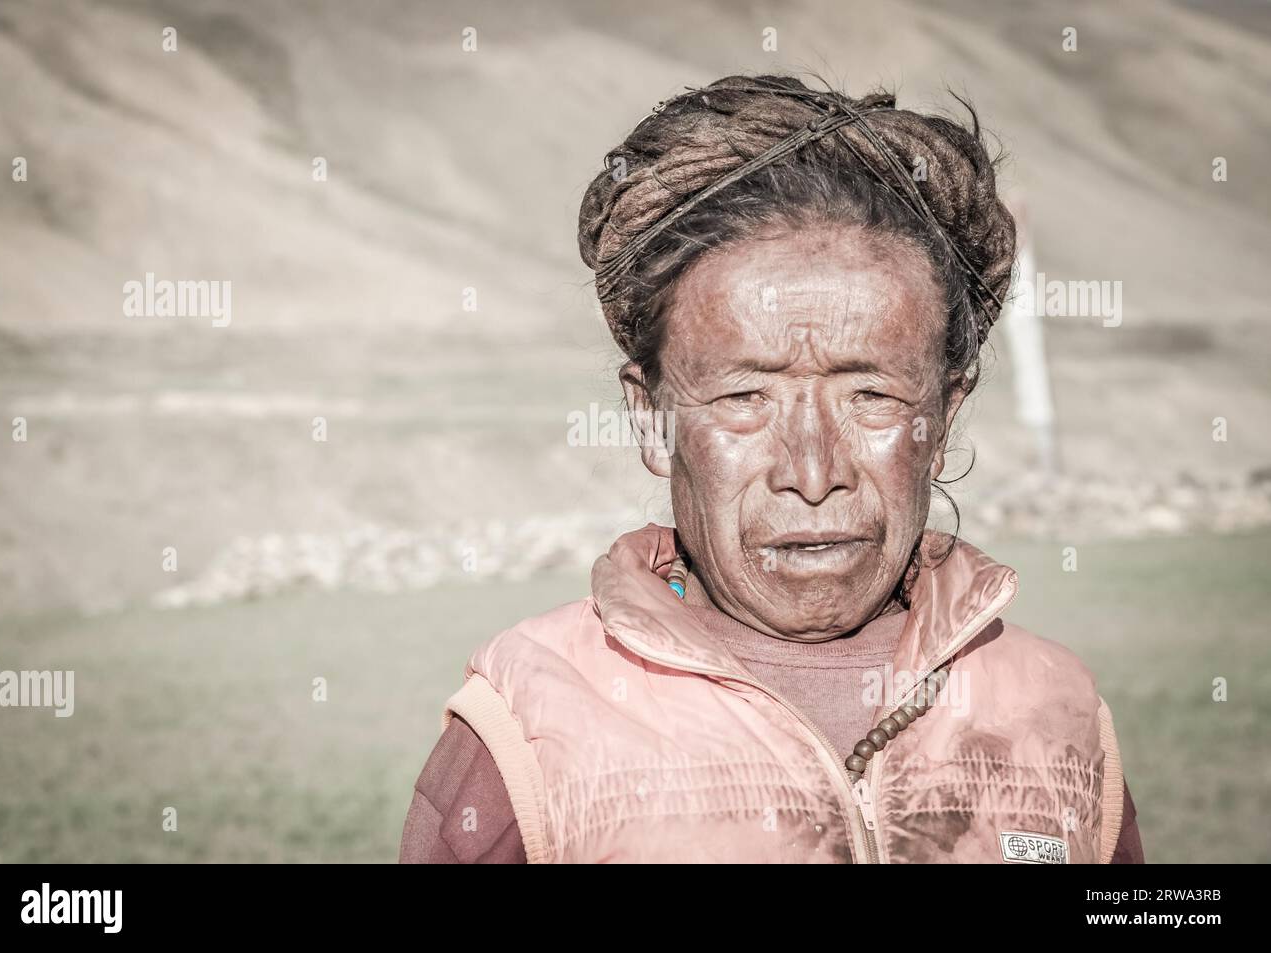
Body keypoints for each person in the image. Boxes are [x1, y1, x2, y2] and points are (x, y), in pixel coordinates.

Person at [400, 73, 1143, 863]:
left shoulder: (1056, 712)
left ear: (943, 416)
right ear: (653, 419)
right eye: (746, 396)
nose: (813, 473)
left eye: (870, 395)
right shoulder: (524, 731)